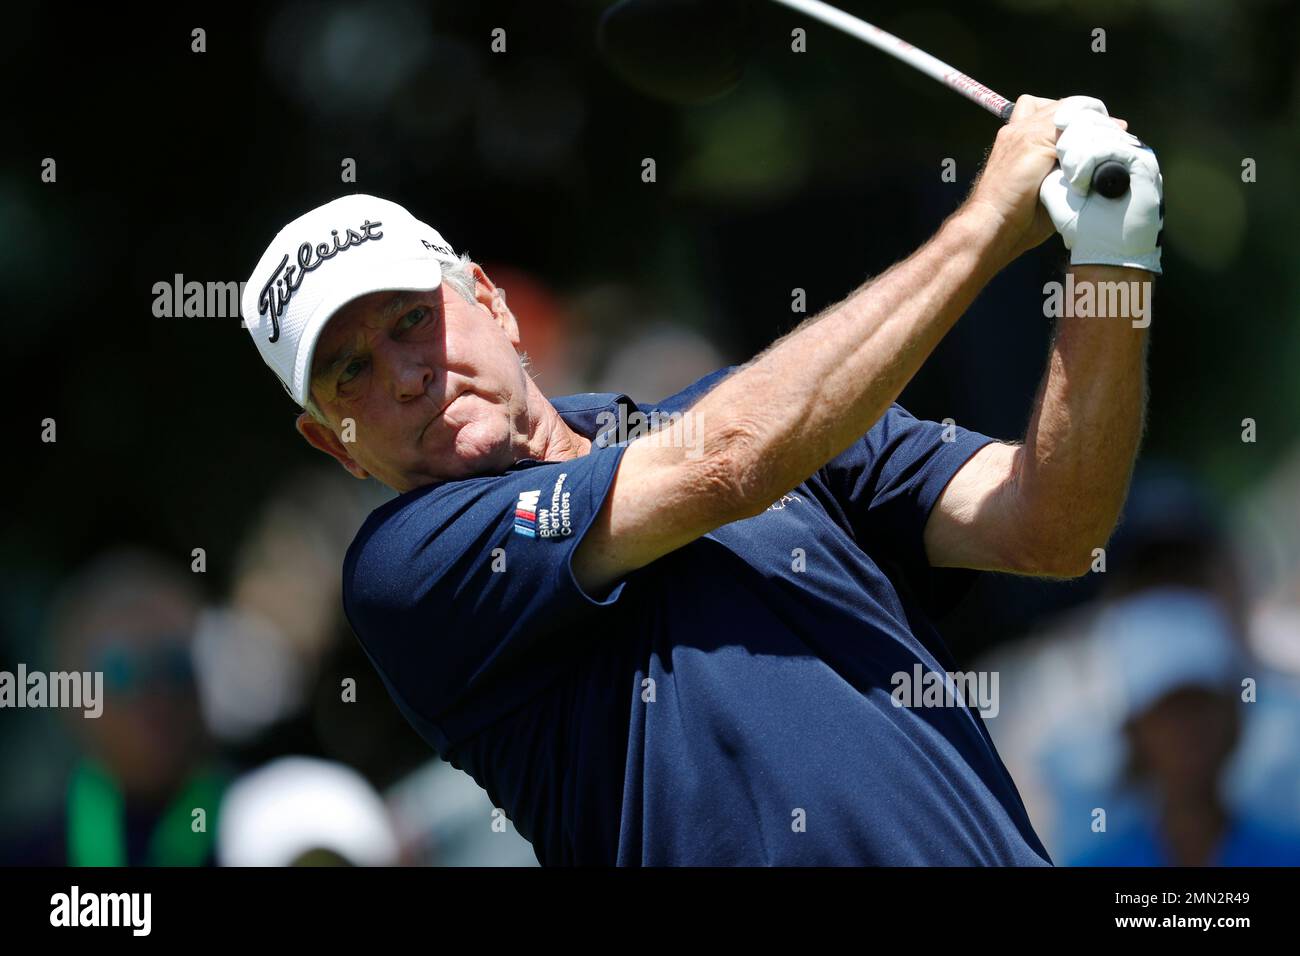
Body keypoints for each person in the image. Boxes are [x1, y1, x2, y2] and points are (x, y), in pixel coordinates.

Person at [240, 95, 1163, 864]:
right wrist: (991, 222)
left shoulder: (782, 417)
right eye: (351, 372)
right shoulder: (409, 570)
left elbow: (1052, 527)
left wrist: (1112, 265)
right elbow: (727, 465)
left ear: (494, 303)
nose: (404, 374)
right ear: (337, 445)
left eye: (411, 319)